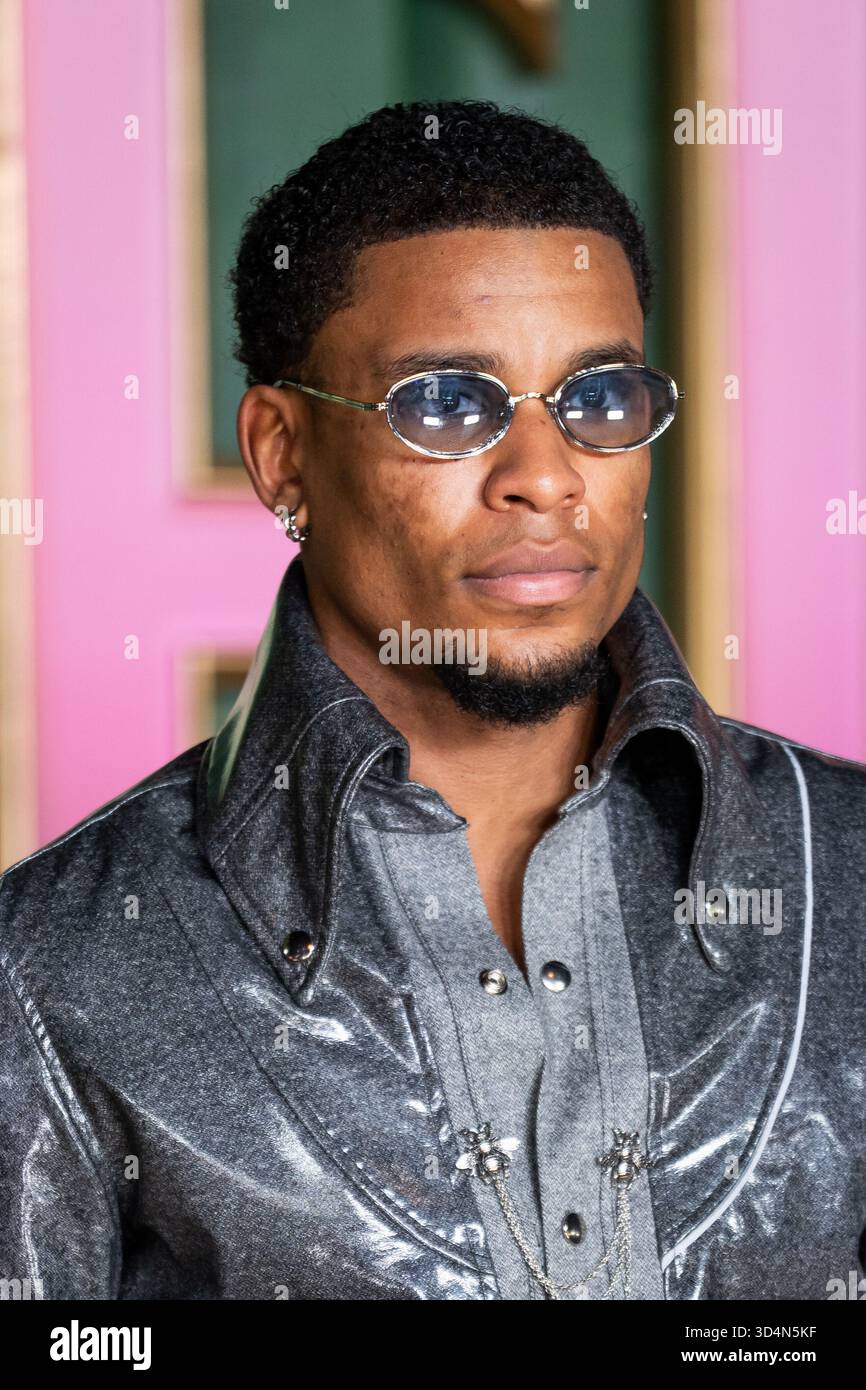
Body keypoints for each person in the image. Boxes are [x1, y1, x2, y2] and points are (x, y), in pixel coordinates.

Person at [1, 100, 864, 1302]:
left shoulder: (850, 878)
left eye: (599, 399)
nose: (545, 478)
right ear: (283, 453)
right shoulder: (52, 969)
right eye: (447, 405)